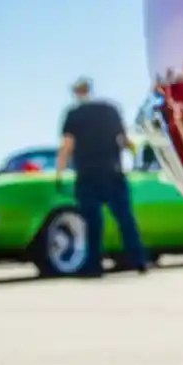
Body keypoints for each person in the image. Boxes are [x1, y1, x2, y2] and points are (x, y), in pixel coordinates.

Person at [57, 77, 146, 278]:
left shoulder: (73, 114)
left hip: (88, 175)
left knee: (92, 222)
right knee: (125, 219)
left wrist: (59, 173)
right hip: (113, 172)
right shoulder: (110, 109)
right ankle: (138, 260)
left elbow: (67, 146)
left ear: (76, 92)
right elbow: (124, 140)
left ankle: (94, 266)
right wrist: (137, 160)